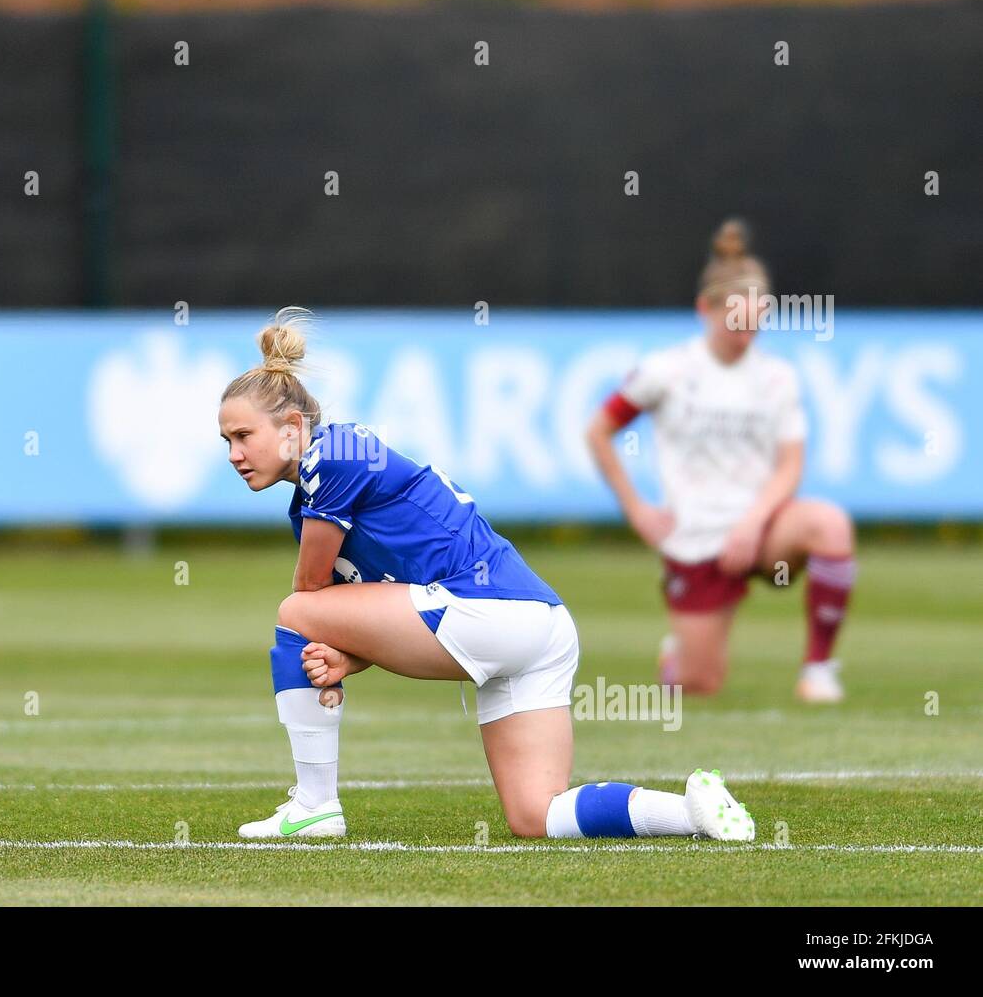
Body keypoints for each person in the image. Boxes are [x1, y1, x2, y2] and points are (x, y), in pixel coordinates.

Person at [217, 307, 755, 842]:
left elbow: (312, 599)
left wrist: (340, 651)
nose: (236, 454)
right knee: (537, 816)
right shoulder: (323, 480)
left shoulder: (331, 454)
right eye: (228, 442)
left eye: (244, 435)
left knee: (295, 612)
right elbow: (369, 613)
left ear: (291, 427)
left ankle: (314, 805)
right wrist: (344, 654)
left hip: (483, 610)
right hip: (540, 625)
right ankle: (691, 812)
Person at [586, 218, 856, 702]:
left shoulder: (777, 377)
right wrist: (637, 510)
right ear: (705, 310)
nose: (745, 334)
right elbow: (599, 430)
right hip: (698, 539)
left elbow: (791, 464)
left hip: (762, 531)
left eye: (755, 323)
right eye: (736, 322)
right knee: (699, 685)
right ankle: (679, 659)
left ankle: (818, 669)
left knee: (830, 525)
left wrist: (753, 522)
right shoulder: (666, 371)